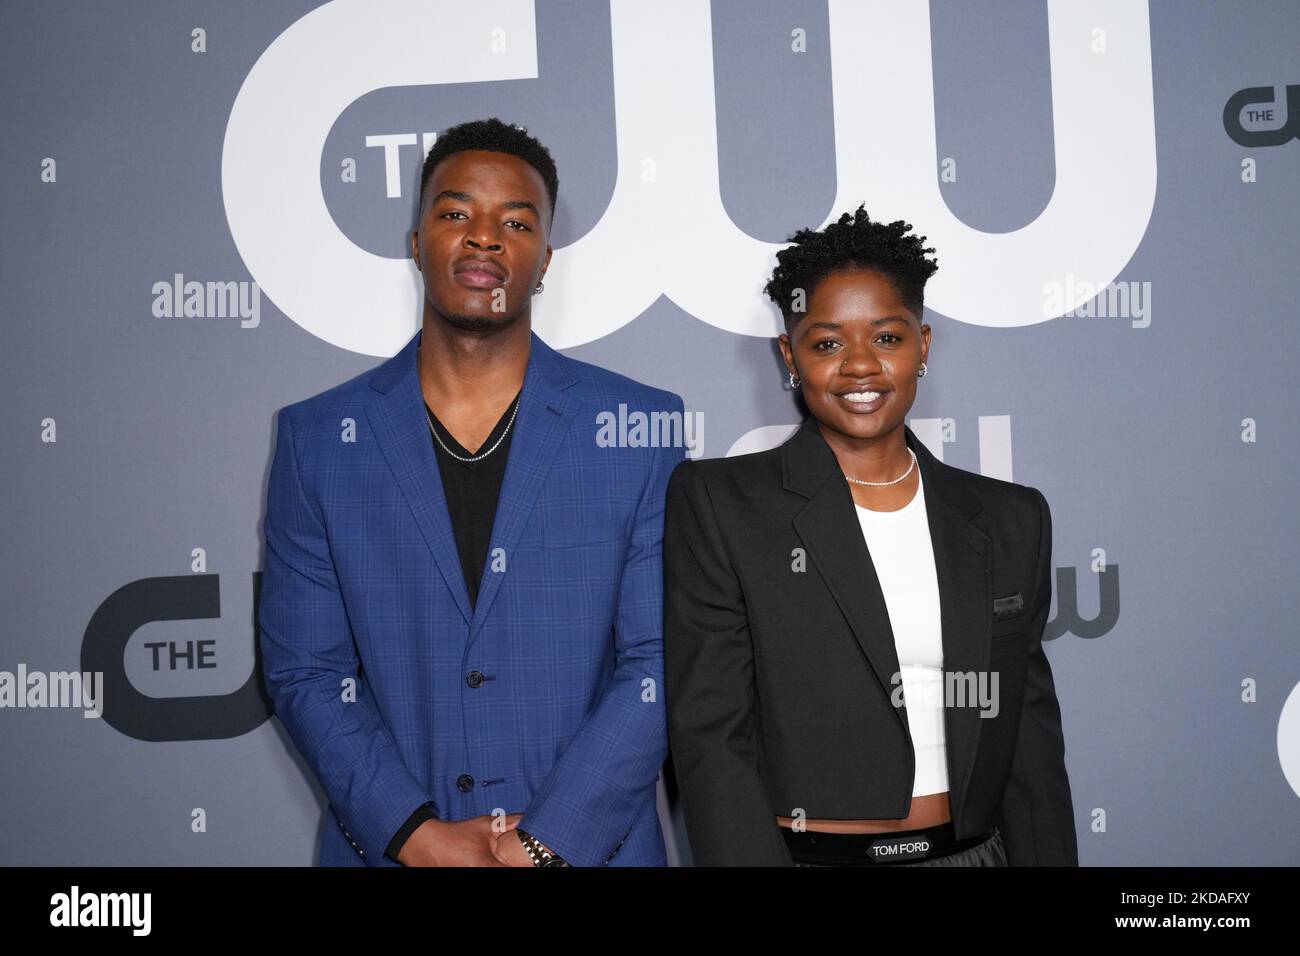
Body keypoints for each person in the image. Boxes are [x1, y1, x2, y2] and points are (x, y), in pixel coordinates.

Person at [260, 118, 685, 867]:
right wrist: (415, 836)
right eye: (456, 213)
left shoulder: (638, 427)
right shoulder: (319, 438)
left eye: (515, 222)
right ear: (415, 240)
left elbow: (657, 662)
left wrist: (547, 841)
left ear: (544, 259)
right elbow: (308, 673)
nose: (484, 238)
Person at [663, 205, 1078, 866]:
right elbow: (711, 738)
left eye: (887, 338)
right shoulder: (721, 504)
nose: (860, 366)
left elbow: (1029, 746)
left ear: (924, 346)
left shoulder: (1009, 518)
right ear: (789, 356)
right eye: (827, 343)